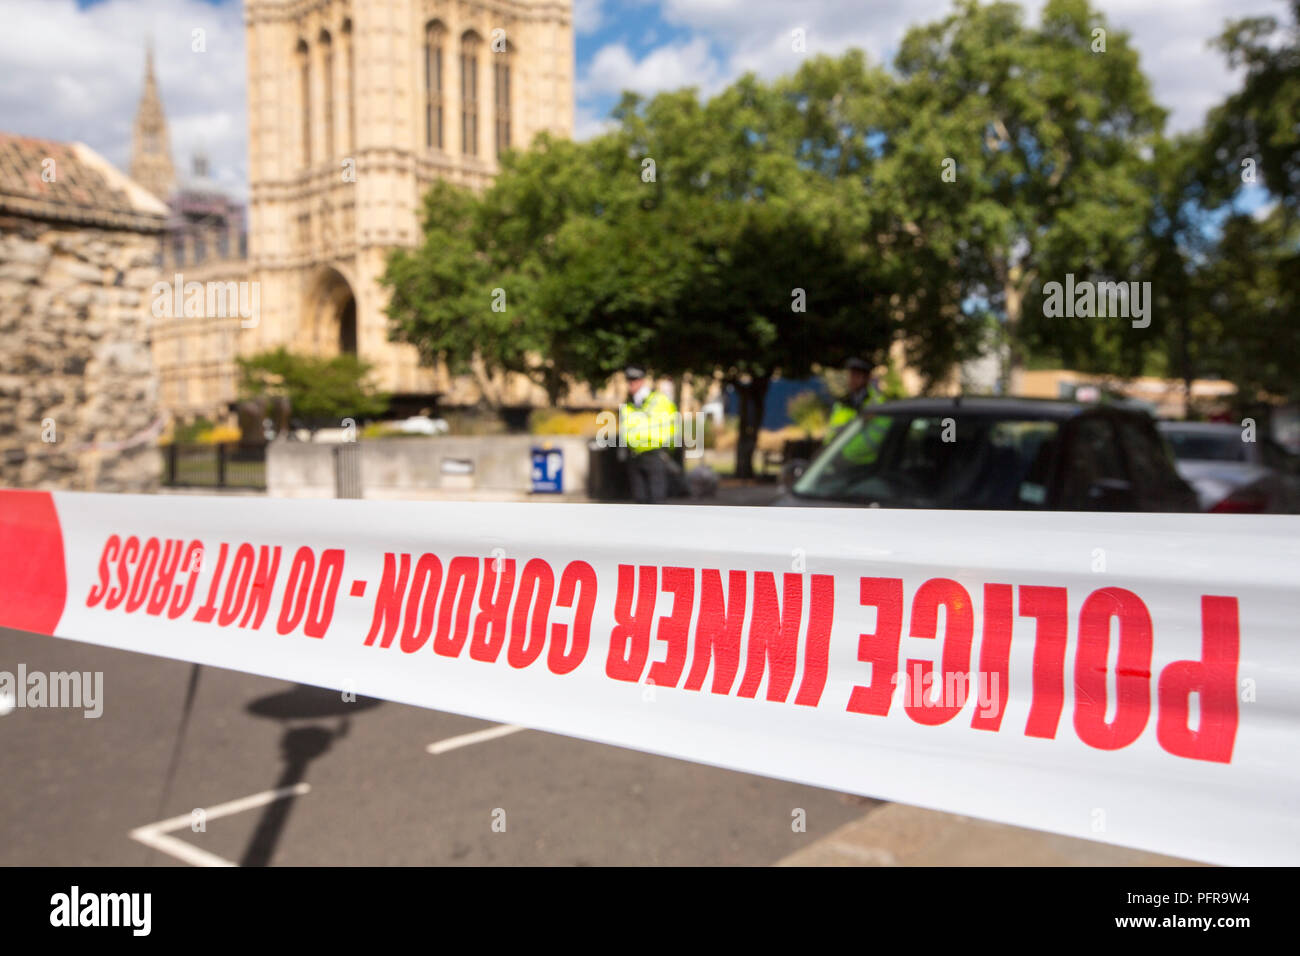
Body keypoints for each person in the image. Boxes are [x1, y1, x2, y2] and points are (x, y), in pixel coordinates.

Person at [620, 365, 678, 503]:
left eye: (634, 380)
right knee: (639, 501)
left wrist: (668, 450)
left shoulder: (659, 400)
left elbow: (673, 424)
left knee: (657, 501)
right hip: (634, 455)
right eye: (629, 380)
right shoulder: (628, 405)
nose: (631, 384)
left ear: (642, 381)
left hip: (655, 454)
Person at [827, 357, 888, 464]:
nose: (852, 380)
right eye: (851, 375)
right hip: (839, 463)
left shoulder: (877, 404)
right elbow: (831, 434)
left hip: (868, 465)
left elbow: (878, 437)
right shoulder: (842, 404)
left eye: (857, 376)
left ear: (866, 378)